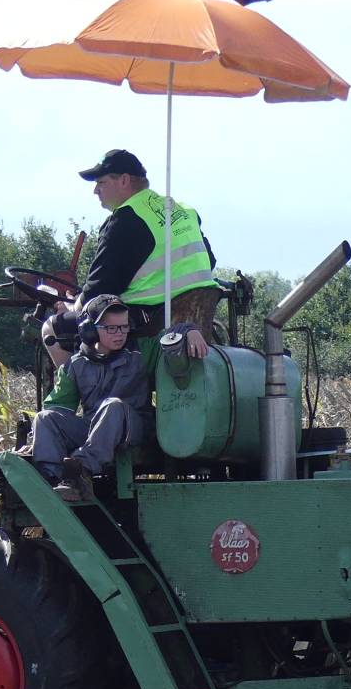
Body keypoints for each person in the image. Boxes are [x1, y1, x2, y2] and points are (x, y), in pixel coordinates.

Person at [42, 148, 217, 366]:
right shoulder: (182, 211)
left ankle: (81, 387)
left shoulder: (126, 219)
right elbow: (209, 261)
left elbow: (99, 289)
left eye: (101, 182)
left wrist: (71, 308)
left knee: (52, 328)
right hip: (197, 317)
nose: (95, 190)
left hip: (146, 327)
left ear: (124, 180)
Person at [31, 295, 181, 503]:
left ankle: (79, 473)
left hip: (134, 427)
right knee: (45, 418)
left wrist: (188, 330)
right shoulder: (76, 364)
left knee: (113, 405)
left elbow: (172, 338)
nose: (119, 333)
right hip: (94, 428)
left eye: (124, 327)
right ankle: (53, 480)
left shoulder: (142, 351)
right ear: (89, 329)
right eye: (111, 328)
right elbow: (57, 405)